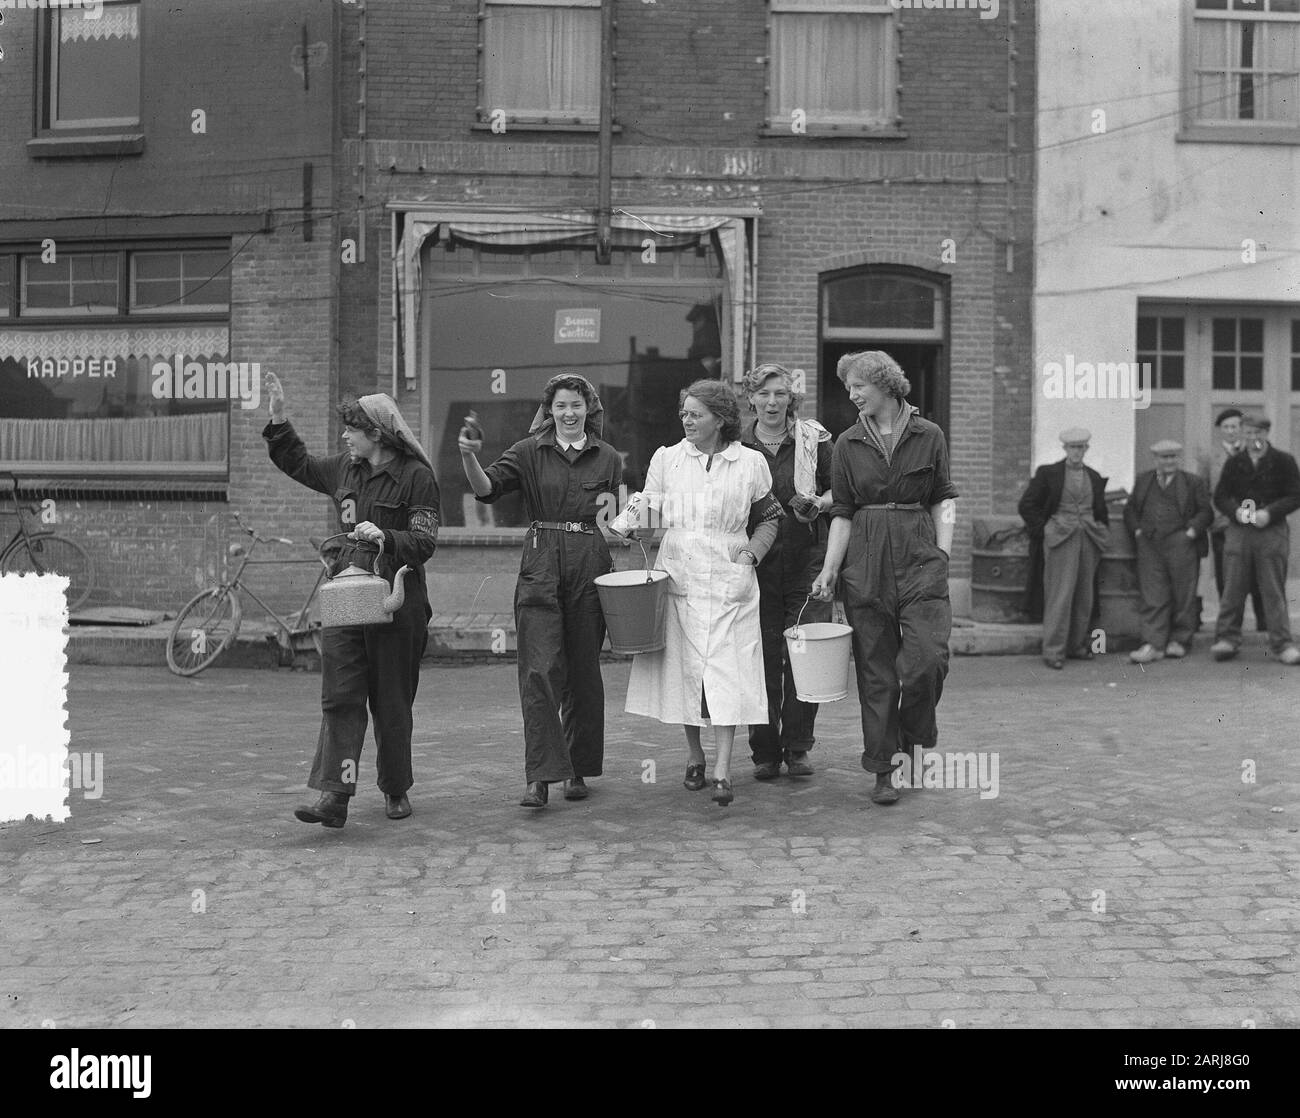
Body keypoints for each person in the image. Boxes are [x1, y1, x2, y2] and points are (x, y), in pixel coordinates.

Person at [264, 373, 440, 829]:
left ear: (376, 434)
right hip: (345, 596)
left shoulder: (416, 477)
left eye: (351, 429)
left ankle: (395, 787)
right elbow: (298, 463)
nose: (344, 436)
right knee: (340, 695)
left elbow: (423, 541)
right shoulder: (344, 469)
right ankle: (334, 796)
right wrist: (279, 418)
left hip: (394, 600)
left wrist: (387, 535)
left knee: (392, 699)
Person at [459, 374, 624, 808]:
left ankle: (578, 769)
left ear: (589, 409)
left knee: (584, 670)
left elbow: (612, 520)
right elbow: (487, 489)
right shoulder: (529, 452)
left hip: (590, 561)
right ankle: (540, 777)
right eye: (561, 406)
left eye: (576, 405)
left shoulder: (607, 457)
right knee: (539, 669)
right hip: (541, 560)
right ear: (548, 411)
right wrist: (469, 458)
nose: (569, 414)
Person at [625, 379, 784, 806]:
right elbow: (648, 513)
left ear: (720, 418)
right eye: (684, 413)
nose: (686, 421)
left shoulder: (750, 463)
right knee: (686, 670)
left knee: (728, 672)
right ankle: (695, 754)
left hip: (732, 577)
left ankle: (723, 768)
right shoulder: (668, 459)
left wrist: (751, 554)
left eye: (695, 414)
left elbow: (770, 517)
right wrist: (626, 522)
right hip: (679, 574)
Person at [811, 351, 957, 806]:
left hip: (919, 558)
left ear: (885, 385)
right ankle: (884, 769)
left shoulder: (928, 434)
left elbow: (943, 498)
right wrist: (831, 568)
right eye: (849, 388)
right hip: (866, 561)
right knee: (877, 674)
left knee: (926, 661)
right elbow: (842, 512)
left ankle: (914, 741)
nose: (852, 395)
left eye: (859, 386)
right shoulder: (848, 443)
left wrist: (943, 553)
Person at [739, 363, 833, 781]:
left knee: (804, 655)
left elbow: (838, 491)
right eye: (763, 394)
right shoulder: (736, 447)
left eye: (780, 394)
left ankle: (797, 746)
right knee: (758, 656)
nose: (772, 402)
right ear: (751, 399)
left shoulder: (813, 442)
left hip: (805, 560)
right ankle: (763, 749)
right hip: (754, 565)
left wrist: (819, 501)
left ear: (790, 399)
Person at [1210, 414, 1300, 665]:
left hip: (1271, 532)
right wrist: (1235, 511)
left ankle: (1282, 644)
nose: (1252, 439)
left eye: (1257, 434)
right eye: (1247, 433)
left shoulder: (1283, 461)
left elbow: (1295, 495)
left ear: (1266, 434)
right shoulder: (1235, 463)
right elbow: (1220, 497)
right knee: (1233, 587)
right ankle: (1227, 639)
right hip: (1239, 531)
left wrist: (1269, 513)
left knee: (1272, 589)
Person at [1018, 428, 1109, 670]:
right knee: (1060, 595)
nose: (1077, 452)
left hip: (1089, 539)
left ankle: (1076, 646)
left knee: (1084, 596)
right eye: (1073, 447)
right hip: (1060, 539)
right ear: (1065, 449)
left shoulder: (1095, 476)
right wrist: (1045, 529)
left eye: (1081, 447)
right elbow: (1027, 505)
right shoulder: (1049, 473)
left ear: (1086, 449)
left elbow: (1100, 510)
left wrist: (1101, 531)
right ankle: (1053, 651)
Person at [1123, 439, 1212, 663]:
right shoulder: (1144, 480)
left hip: (1181, 544)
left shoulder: (1193, 482)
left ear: (1179, 458)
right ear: (1156, 459)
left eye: (1173, 457)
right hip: (1150, 546)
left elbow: (1205, 512)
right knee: (1153, 594)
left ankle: (1179, 641)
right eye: (1164, 457)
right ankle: (1152, 643)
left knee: (1184, 594)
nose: (1169, 461)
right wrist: (1137, 532)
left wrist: (1191, 532)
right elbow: (1131, 509)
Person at [1199, 408, 1265, 630]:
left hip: (1254, 525)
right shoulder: (1210, 457)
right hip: (1223, 525)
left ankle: (1264, 626)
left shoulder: (1255, 452)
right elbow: (1204, 491)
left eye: (1235, 427)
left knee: (1257, 576)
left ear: (1242, 429)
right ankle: (1230, 627)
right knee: (1226, 578)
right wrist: (1215, 518)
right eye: (1226, 427)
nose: (1231, 431)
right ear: (1220, 430)